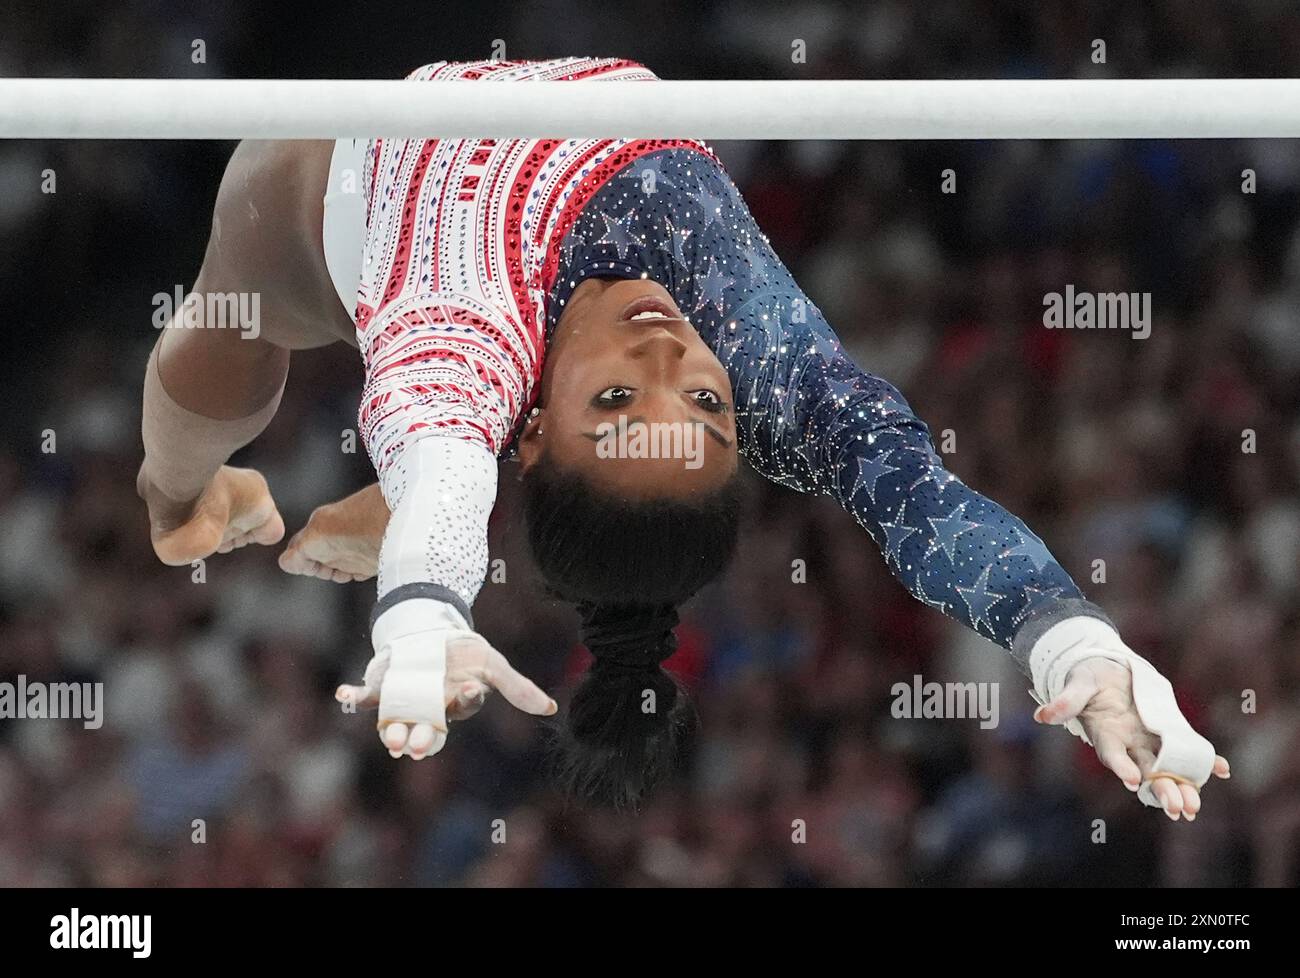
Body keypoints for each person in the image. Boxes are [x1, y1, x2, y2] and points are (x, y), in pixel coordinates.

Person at [137, 56, 1228, 811]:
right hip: (476, 412)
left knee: (228, 334)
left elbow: (444, 443)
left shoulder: (457, 334)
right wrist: (1073, 640)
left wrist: (418, 615)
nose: (667, 356)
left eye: (615, 405)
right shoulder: (759, 358)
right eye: (707, 408)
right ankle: (410, 493)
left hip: (319, 221)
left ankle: (188, 507)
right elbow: (912, 495)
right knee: (448, 458)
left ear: (529, 439)